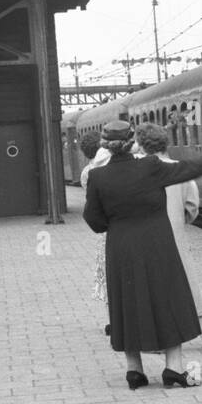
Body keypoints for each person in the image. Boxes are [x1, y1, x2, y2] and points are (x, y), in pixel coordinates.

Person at [83, 120, 202, 389]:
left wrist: (116, 224)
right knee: (168, 298)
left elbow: (93, 220)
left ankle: (134, 370)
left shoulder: (97, 176)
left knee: (128, 303)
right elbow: (184, 169)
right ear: (132, 142)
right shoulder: (149, 167)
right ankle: (173, 368)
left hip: (121, 247)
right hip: (157, 244)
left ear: (106, 145)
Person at [134, 121, 202, 352]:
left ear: (142, 145)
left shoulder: (138, 171)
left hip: (146, 236)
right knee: (187, 280)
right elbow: (192, 207)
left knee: (154, 285)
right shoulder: (180, 170)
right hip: (175, 234)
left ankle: (158, 339)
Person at [80, 130, 113, 326]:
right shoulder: (119, 162)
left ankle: (111, 320)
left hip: (105, 230)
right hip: (125, 224)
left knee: (107, 275)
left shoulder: (87, 173)